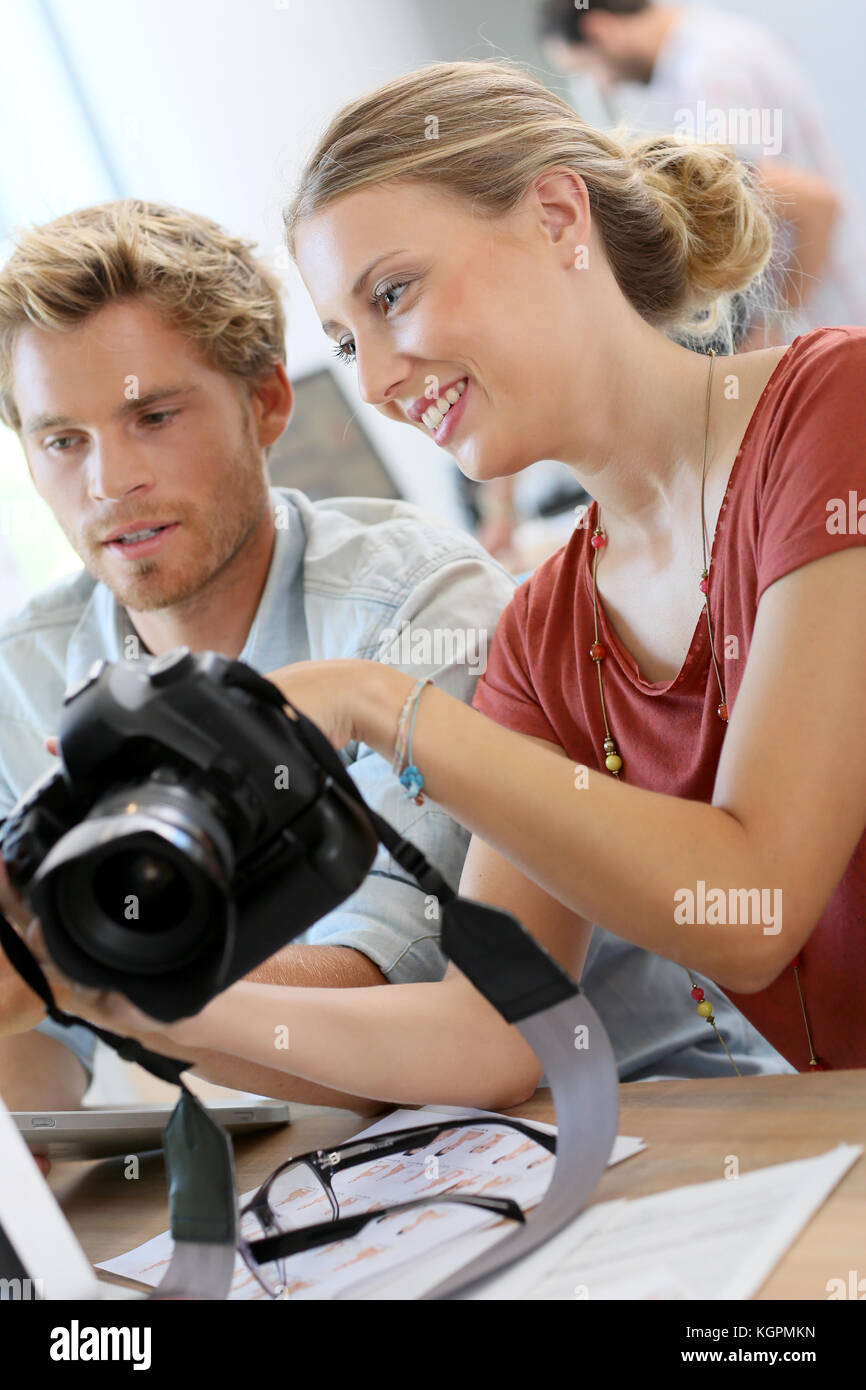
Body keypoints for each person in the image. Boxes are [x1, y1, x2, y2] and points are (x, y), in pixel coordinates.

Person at [0, 197, 787, 1120]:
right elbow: (32, 1035)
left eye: (154, 417)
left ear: (267, 404)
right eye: (62, 441)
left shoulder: (418, 607)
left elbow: (388, 989)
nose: (108, 482)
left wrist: (86, 958)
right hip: (370, 1167)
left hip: (644, 1108)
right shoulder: (27, 672)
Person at [538, 0, 866, 342]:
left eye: (588, 68)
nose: (604, 85)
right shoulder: (712, 41)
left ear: (600, 30)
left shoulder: (710, 73)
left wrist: (772, 332)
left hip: (829, 320)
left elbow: (815, 203)